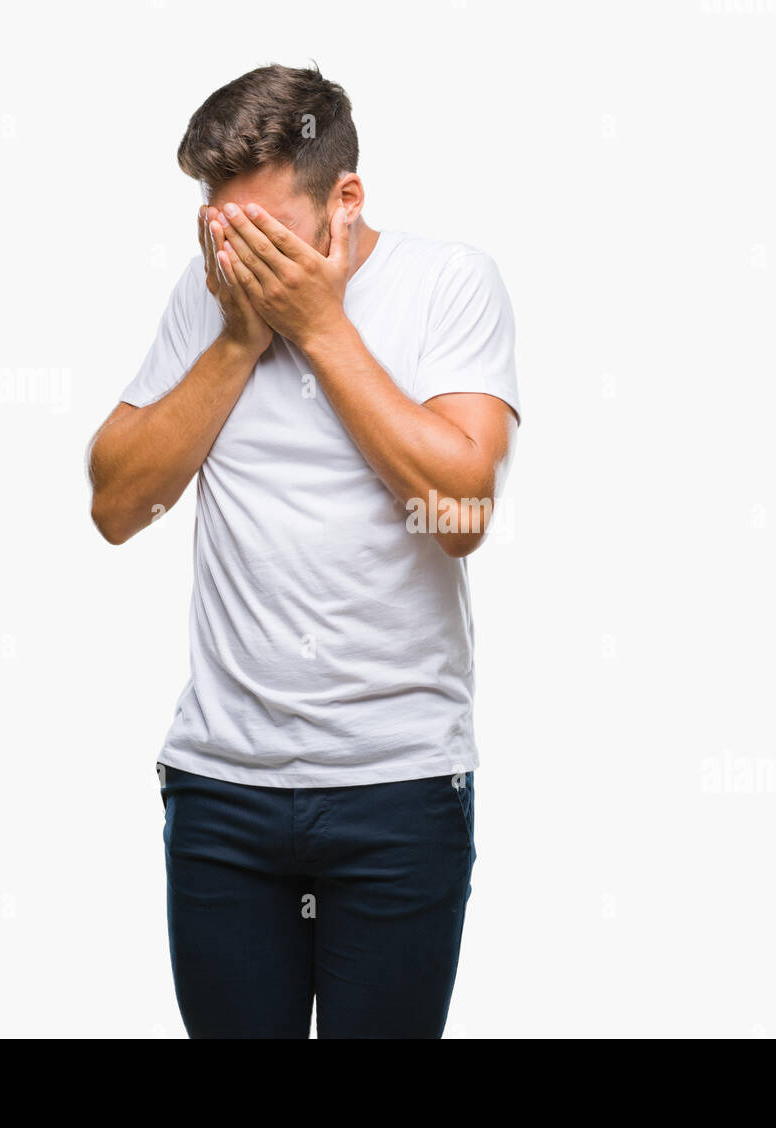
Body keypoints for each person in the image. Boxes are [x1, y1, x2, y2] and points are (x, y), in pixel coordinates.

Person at [86, 63, 520, 1038]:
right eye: (220, 228)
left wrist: (318, 326)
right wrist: (238, 342)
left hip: (397, 787)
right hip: (221, 790)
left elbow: (459, 510)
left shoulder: (447, 283)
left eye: (264, 231)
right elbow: (117, 502)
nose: (237, 254)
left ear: (346, 200)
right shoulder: (211, 302)